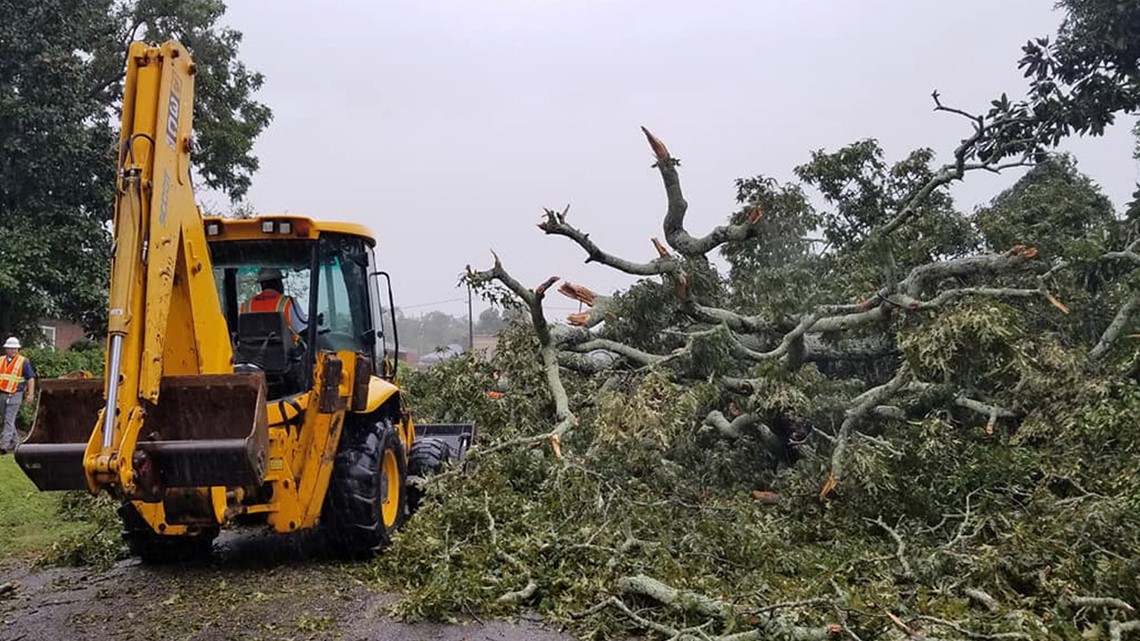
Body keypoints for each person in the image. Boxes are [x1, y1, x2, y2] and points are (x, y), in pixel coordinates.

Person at [241, 267, 307, 340]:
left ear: (262, 285)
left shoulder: (246, 306)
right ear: (278, 283)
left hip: (250, 351)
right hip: (286, 351)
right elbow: (303, 330)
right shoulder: (287, 302)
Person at [0, 337, 35, 454]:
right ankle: (16, 443)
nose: (14, 350)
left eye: (15, 348)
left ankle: (4, 445)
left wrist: (30, 394)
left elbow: (30, 378)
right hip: (2, 393)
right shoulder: (1, 360)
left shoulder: (23, 361)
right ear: (6, 349)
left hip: (16, 393)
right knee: (7, 419)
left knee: (8, 419)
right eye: (11, 348)